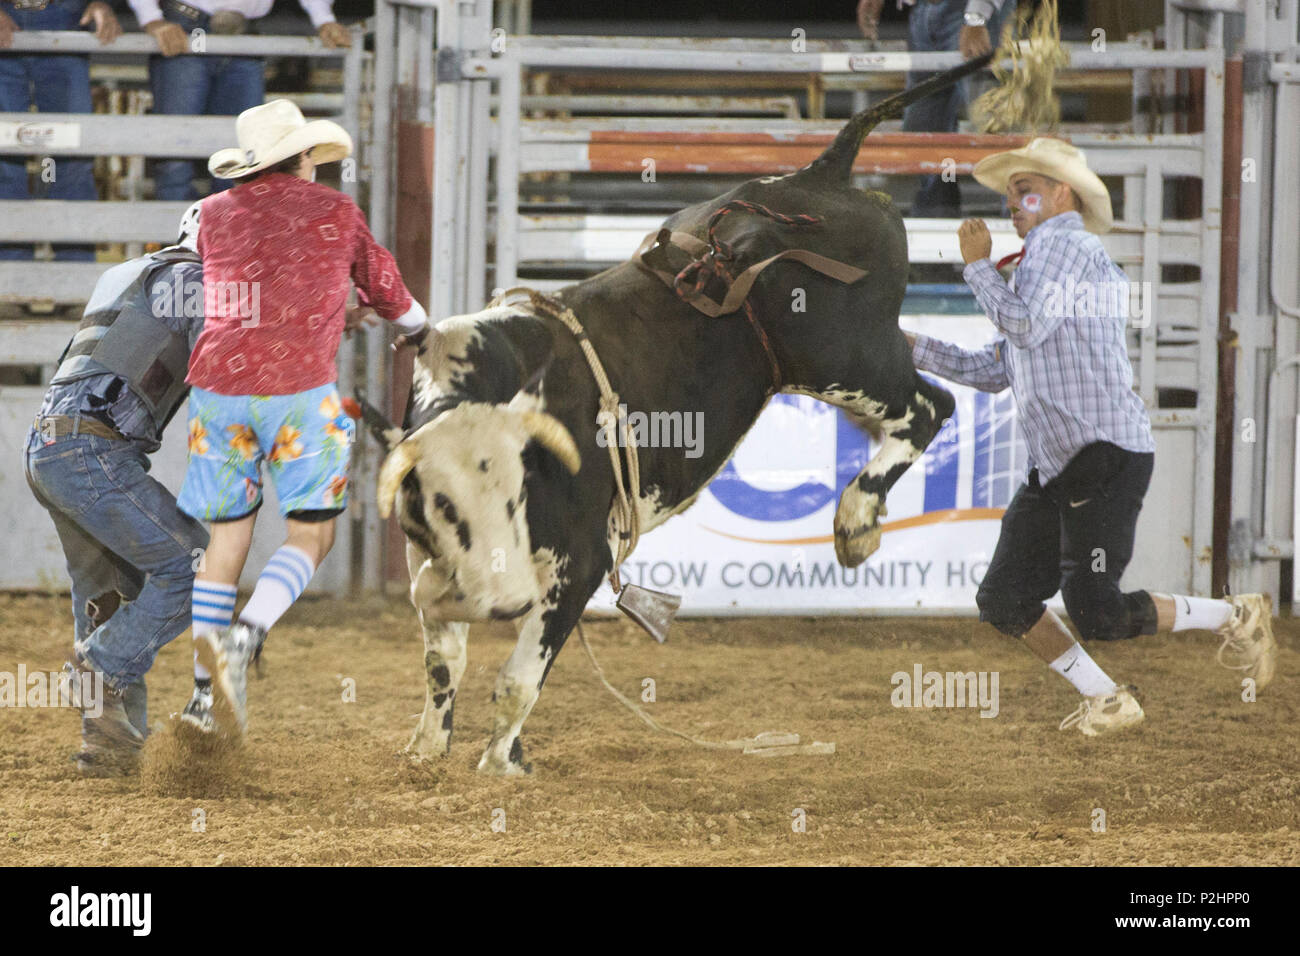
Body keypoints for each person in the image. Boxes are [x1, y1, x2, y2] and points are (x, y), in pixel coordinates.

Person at [905, 137, 1277, 736]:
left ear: (1061, 193)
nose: (1012, 205)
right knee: (1007, 599)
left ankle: (1233, 614)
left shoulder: (1063, 246)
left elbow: (1021, 330)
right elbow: (998, 368)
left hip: (1099, 457)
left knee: (1096, 609)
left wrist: (975, 263)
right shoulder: (1046, 260)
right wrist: (913, 349)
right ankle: (1108, 696)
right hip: (1071, 464)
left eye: (1024, 191)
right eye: (1009, 194)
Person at [177, 99, 427, 739]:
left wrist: (320, 313)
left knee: (225, 544)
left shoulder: (209, 213)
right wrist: (418, 332)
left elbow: (204, 289)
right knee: (312, 536)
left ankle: (202, 698)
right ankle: (250, 632)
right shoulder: (336, 211)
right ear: (307, 156)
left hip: (217, 389)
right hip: (297, 393)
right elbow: (386, 286)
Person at [24, 203, 206, 775]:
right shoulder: (196, 280)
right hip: (94, 452)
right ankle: (101, 670)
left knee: (108, 592)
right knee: (197, 566)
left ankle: (107, 743)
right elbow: (220, 372)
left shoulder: (123, 273)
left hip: (49, 448)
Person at [125, 0, 352, 201]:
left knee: (247, 155)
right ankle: (183, 245)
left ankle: (222, 242)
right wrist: (151, 19)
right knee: (176, 156)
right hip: (187, 27)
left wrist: (324, 19)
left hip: (242, 31)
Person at [857, 0, 1013, 218]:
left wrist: (977, 16)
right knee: (924, 128)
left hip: (971, 13)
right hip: (923, 12)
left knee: (992, 123)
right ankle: (937, 219)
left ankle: (1023, 221)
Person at [0, 0, 121, 261]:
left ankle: (73, 277)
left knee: (73, 154)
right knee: (4, 160)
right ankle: (9, 278)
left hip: (68, 15)